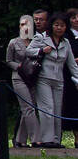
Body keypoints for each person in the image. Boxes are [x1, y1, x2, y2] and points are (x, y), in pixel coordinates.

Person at [26, 13, 78, 149]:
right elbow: (28, 51)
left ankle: (56, 139)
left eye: (62, 25)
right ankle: (47, 139)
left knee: (57, 109)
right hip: (43, 78)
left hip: (59, 80)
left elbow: (72, 64)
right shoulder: (42, 37)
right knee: (47, 108)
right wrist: (42, 50)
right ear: (51, 25)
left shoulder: (66, 43)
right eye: (56, 25)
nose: (59, 28)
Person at [5, 14, 39, 148]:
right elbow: (8, 61)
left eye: (28, 24)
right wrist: (18, 66)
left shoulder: (36, 42)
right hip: (19, 77)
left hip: (32, 78)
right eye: (22, 24)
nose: (25, 27)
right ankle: (36, 139)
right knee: (28, 108)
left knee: (29, 108)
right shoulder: (13, 42)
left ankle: (20, 140)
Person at [64, 9, 78, 146]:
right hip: (72, 76)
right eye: (74, 17)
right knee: (75, 106)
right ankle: (77, 139)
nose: (77, 20)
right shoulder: (67, 36)